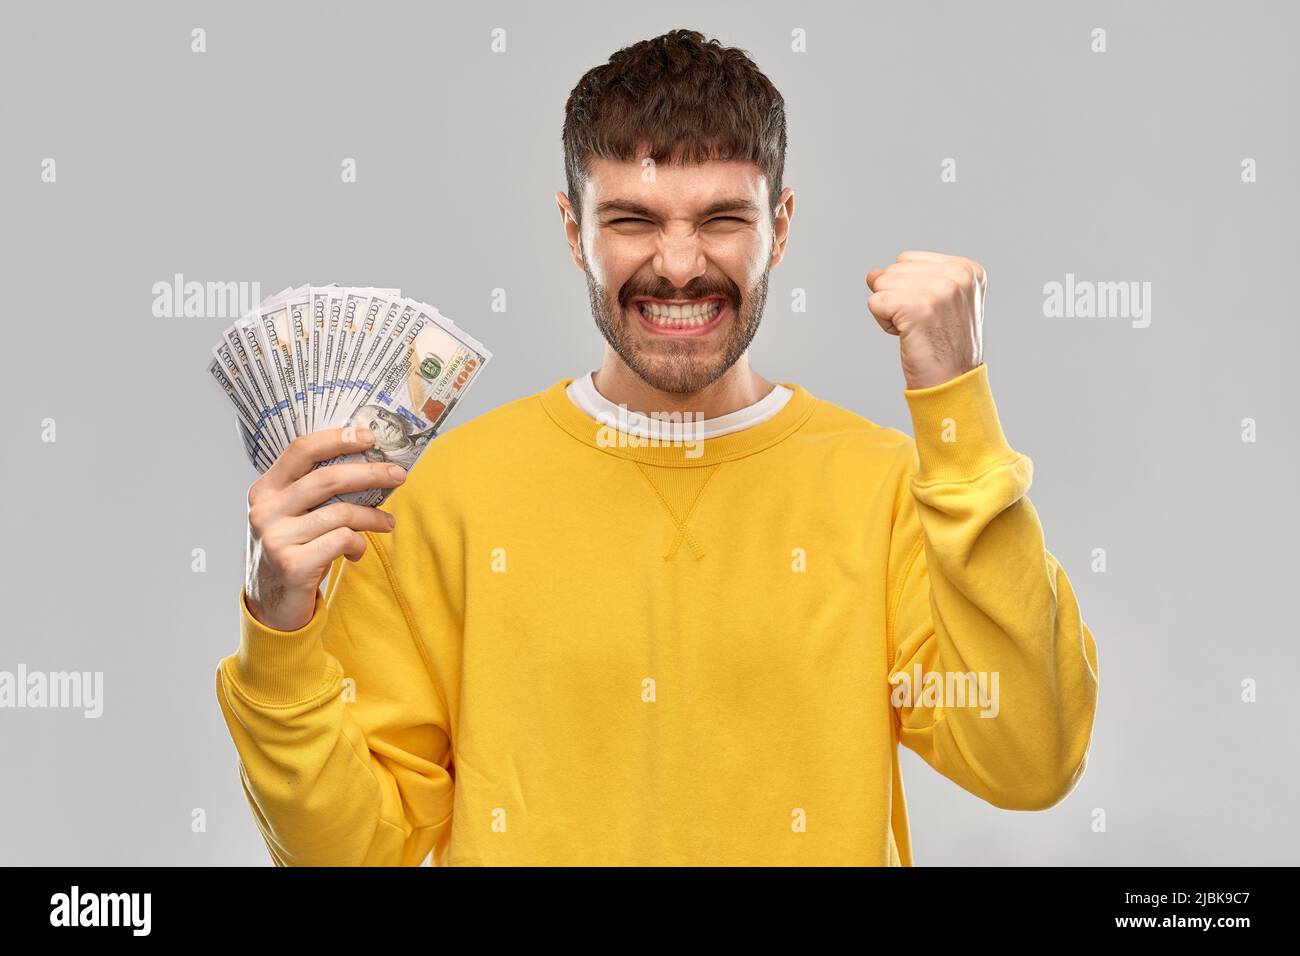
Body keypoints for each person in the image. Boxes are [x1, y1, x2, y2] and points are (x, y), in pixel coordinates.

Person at [214, 28, 1099, 866]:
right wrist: (281, 634)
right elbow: (353, 850)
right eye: (633, 220)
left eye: (721, 218)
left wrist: (958, 413)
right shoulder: (451, 497)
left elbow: (1029, 757)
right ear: (574, 233)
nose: (678, 264)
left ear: (780, 227)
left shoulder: (889, 490)